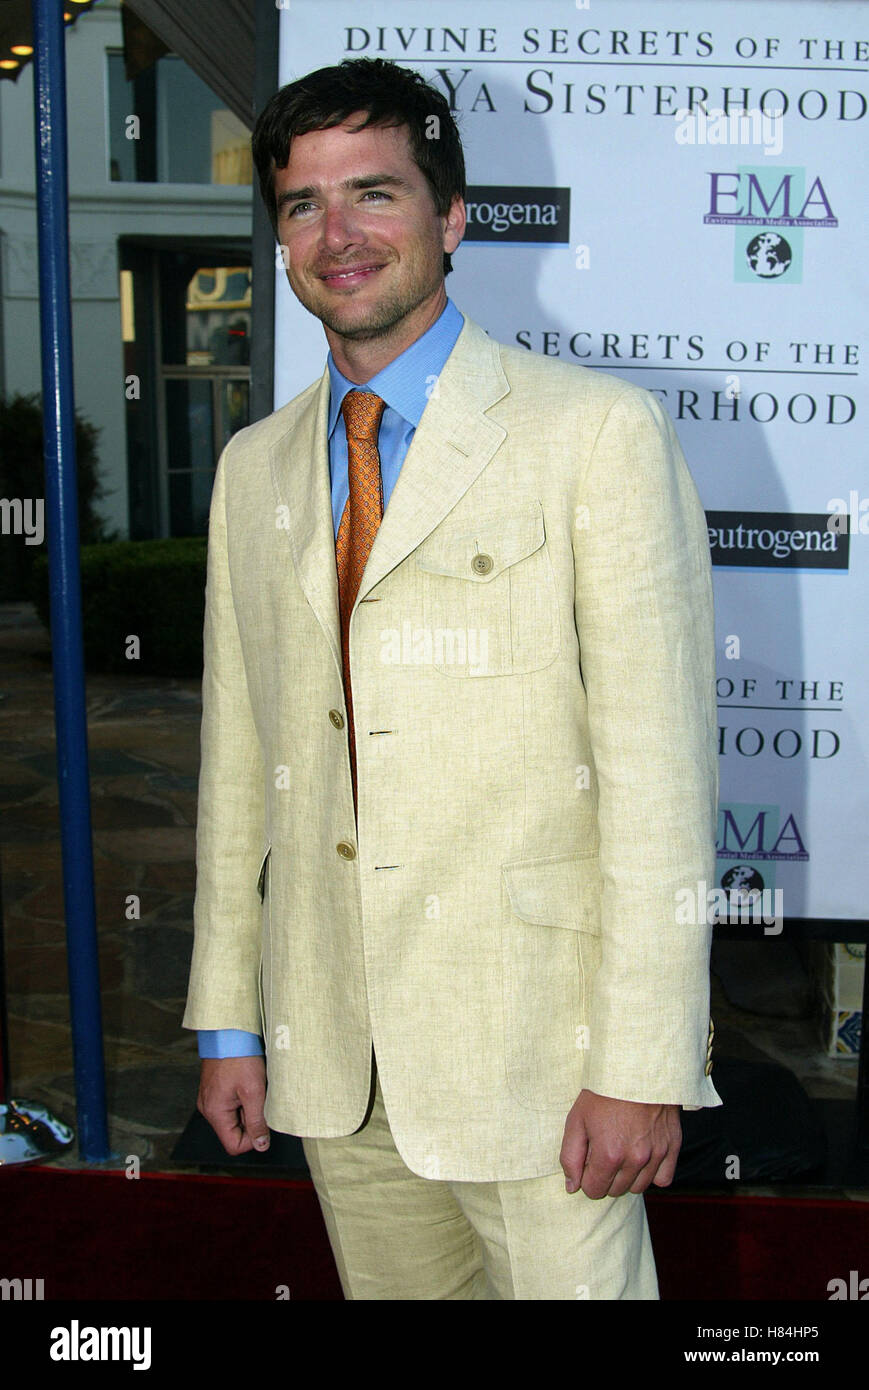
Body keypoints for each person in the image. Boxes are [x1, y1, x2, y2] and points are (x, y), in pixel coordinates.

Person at [182, 56, 721, 1301]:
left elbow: (658, 779)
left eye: (374, 192)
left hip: (547, 1057)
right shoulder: (253, 472)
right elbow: (237, 771)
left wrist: (639, 1060)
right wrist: (229, 1019)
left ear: (451, 216)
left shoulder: (592, 434)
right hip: (338, 1057)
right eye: (303, 205)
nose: (339, 234)